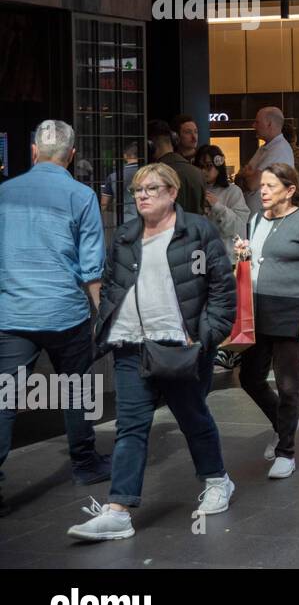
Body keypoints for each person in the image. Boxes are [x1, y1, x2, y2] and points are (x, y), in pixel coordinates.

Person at [67, 163, 236, 541]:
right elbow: (112, 283)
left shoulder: (197, 231)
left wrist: (205, 336)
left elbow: (222, 290)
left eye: (152, 189)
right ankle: (119, 510)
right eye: (138, 190)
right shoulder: (127, 235)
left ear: (172, 193)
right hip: (131, 345)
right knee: (130, 427)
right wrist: (106, 324)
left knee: (193, 418)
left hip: (180, 346)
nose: (142, 195)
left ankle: (217, 480)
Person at [0, 121, 111, 514]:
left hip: (13, 313)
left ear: (33, 151)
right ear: (72, 154)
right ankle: (84, 463)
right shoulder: (81, 196)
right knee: (76, 390)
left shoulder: (4, 193)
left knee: (5, 400)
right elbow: (91, 267)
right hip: (65, 312)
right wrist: (103, 316)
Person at [237, 163, 299, 479]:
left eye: (271, 186)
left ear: (289, 190)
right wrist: (243, 255)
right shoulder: (256, 219)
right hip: (258, 310)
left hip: (292, 309)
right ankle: (283, 422)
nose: (263, 191)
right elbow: (256, 261)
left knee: (288, 385)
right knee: (250, 377)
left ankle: (285, 451)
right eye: (262, 185)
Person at [236, 107, 294, 217]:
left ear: (269, 124)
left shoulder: (279, 150)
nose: (254, 126)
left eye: (257, 122)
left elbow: (253, 184)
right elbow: (239, 179)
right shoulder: (264, 148)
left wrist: (246, 175)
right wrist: (246, 175)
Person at [195, 144, 249, 261]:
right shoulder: (195, 190)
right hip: (199, 257)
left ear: (218, 166)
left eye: (208, 166)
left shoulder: (233, 191)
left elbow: (238, 227)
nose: (204, 171)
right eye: (200, 166)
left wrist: (217, 207)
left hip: (226, 257)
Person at [148, 119, 206, 217]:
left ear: (150, 145)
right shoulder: (197, 172)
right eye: (188, 132)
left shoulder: (154, 174)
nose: (194, 137)